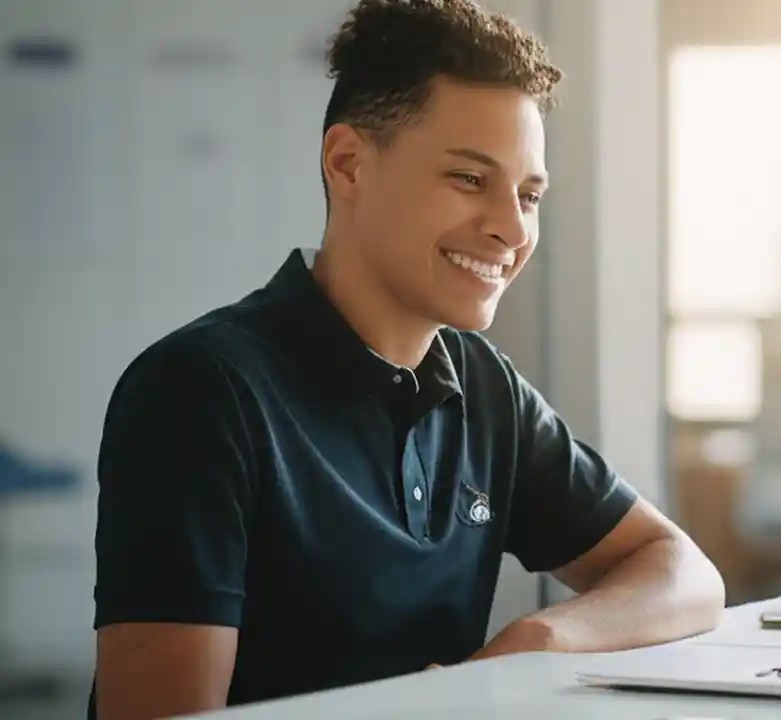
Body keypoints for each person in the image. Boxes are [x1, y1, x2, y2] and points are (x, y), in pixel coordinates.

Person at [90, 1, 724, 717]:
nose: (512, 229)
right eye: (469, 179)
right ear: (349, 163)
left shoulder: (486, 391)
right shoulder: (200, 392)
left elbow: (683, 573)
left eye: (529, 194)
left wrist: (541, 639)